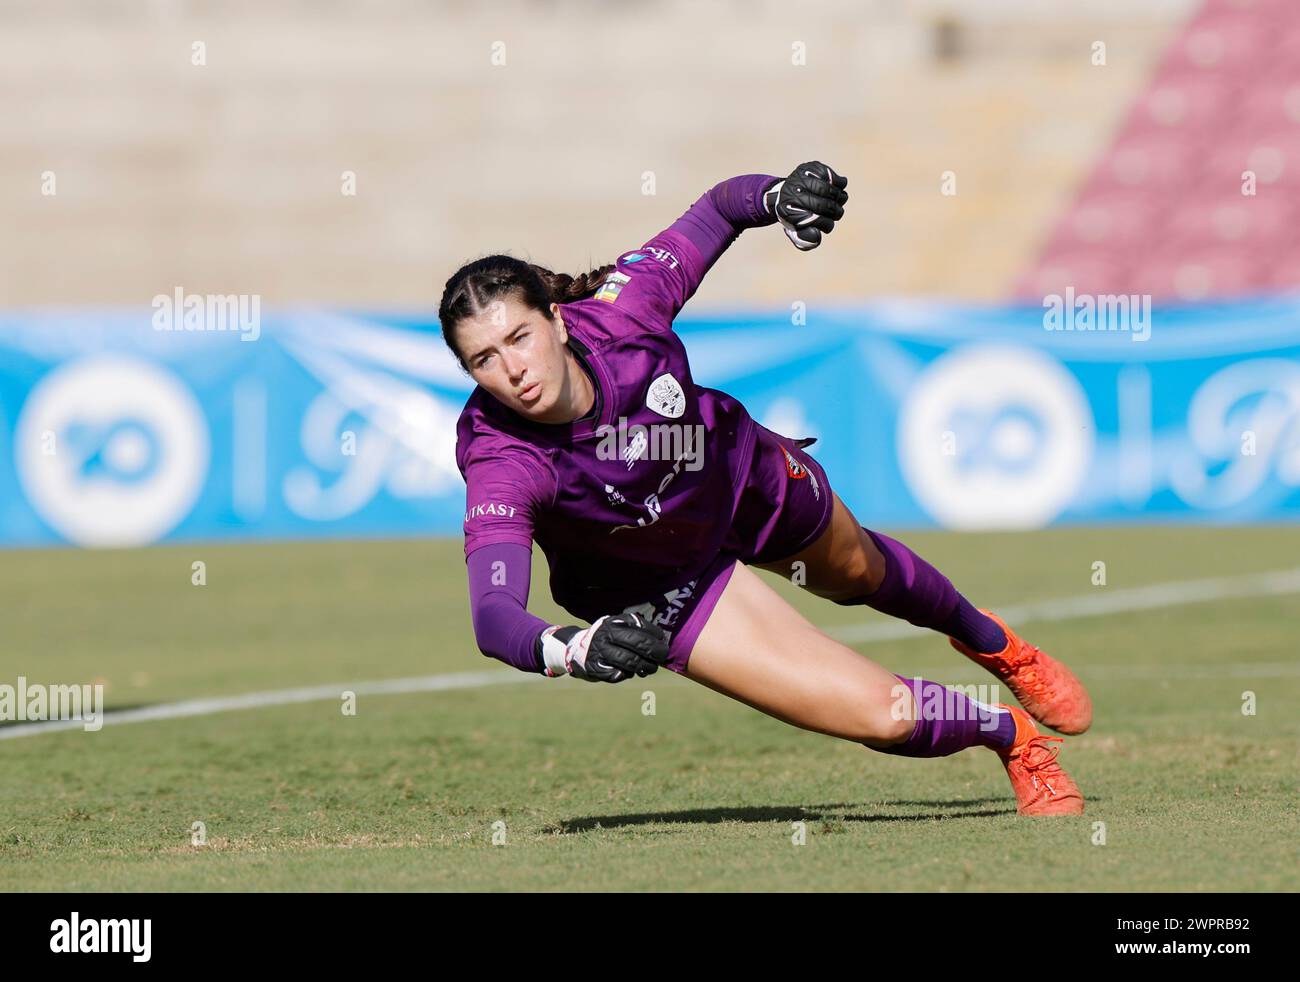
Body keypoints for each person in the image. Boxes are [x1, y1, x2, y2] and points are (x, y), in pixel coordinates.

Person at [440, 162, 1090, 816]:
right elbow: (494, 617)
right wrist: (573, 649)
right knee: (882, 718)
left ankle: (993, 643)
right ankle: (1012, 736)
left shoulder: (627, 308)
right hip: (662, 583)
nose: (513, 370)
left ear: (557, 321)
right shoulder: (501, 458)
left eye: (519, 337)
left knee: (859, 572)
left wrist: (780, 196)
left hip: (739, 477)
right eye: (483, 360)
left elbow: (721, 209)